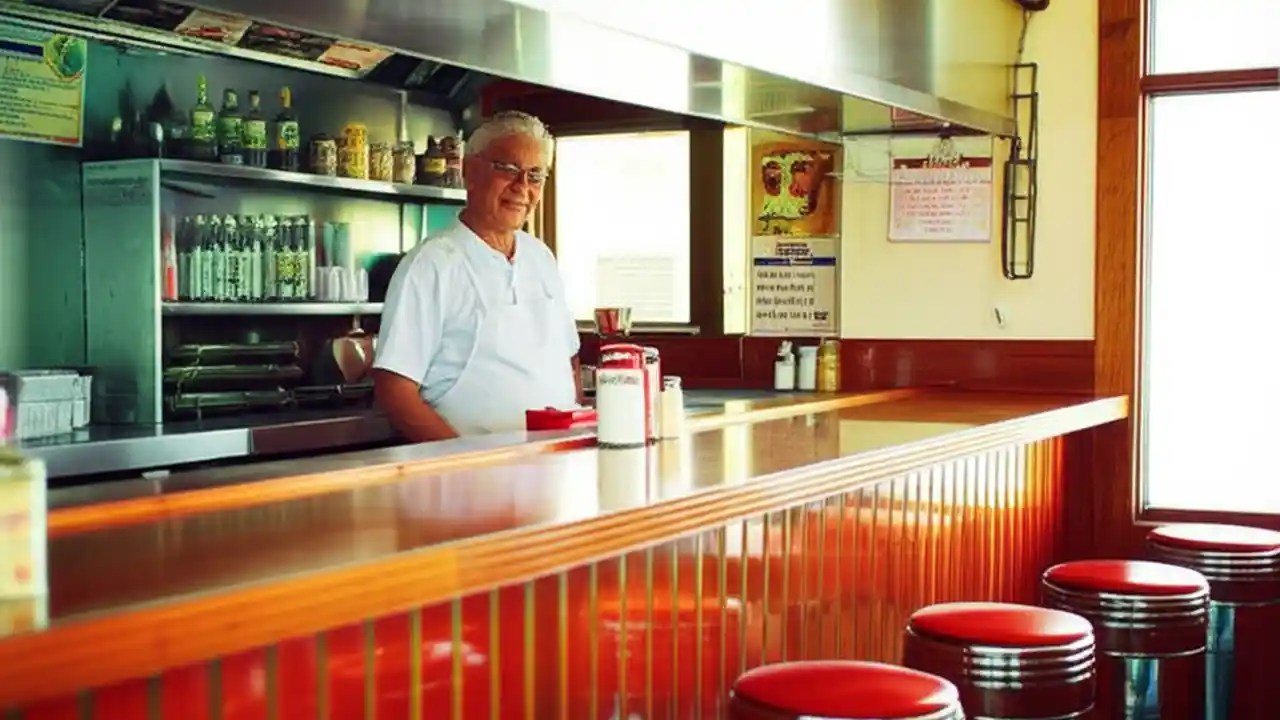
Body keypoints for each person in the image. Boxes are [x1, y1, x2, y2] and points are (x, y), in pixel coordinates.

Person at [372, 111, 581, 441]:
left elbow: (568, 361)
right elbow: (394, 390)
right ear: (470, 171)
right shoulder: (432, 264)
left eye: (535, 175)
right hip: (474, 481)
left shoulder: (541, 257)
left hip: (553, 468)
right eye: (508, 169)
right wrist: (463, 462)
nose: (522, 187)